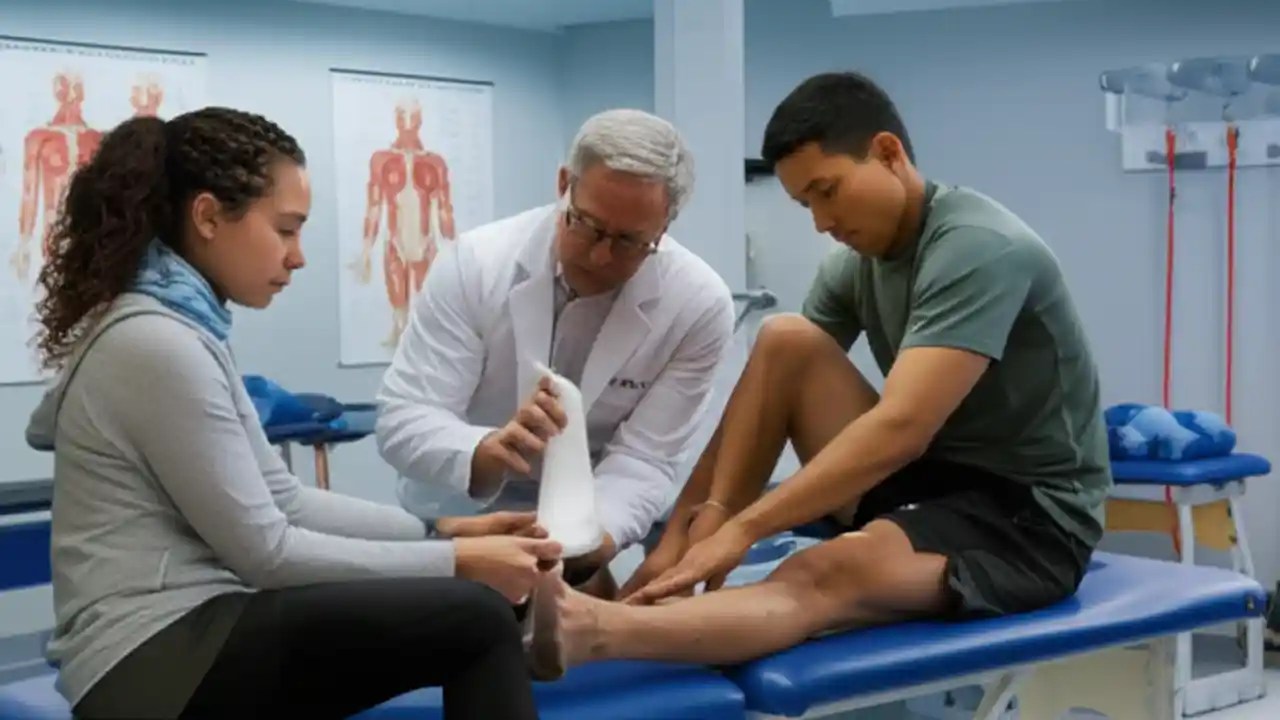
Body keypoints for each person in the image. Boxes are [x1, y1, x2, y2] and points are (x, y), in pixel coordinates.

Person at [526, 71, 1113, 678]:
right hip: (928, 483)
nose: (821, 221)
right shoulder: (856, 263)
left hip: (1028, 519)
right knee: (784, 339)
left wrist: (746, 529)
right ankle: (638, 585)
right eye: (806, 203)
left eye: (828, 191)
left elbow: (903, 427)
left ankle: (591, 630)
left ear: (888, 153)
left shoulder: (979, 248)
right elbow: (768, 391)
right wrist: (689, 533)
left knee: (818, 572)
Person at [26, 106, 560, 719]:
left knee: (469, 616)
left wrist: (442, 531)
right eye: (285, 230)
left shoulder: (182, 331)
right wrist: (459, 564)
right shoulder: (156, 343)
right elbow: (268, 554)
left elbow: (284, 498)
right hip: (151, 664)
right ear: (207, 217)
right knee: (475, 618)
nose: (298, 256)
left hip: (189, 639)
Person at [376, 108, 736, 595]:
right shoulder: (478, 264)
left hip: (582, 523)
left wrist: (588, 541)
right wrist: (487, 450)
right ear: (564, 183)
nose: (602, 255)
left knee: (581, 652)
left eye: (631, 241)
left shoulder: (697, 304)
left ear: (666, 224)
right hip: (457, 514)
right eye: (587, 225)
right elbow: (406, 419)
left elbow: (646, 459)